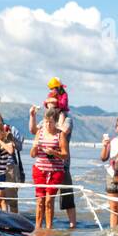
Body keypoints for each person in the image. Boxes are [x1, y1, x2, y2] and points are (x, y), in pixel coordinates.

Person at [30, 91, 76, 227]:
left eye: (50, 122)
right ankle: (38, 228)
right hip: (40, 168)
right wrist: (35, 148)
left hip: (56, 170)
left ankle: (49, 228)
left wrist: (54, 153)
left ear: (55, 122)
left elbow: (65, 154)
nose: (48, 124)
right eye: (46, 122)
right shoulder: (40, 131)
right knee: (40, 200)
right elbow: (32, 154)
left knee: (49, 200)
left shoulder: (61, 132)